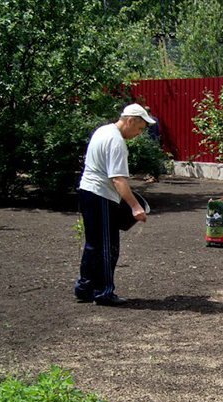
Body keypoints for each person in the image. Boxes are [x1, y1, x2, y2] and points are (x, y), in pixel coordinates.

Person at [74, 103, 156, 306]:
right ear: (130, 120)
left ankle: (85, 288)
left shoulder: (102, 130)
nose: (138, 133)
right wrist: (135, 206)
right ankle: (104, 292)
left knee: (93, 244)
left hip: (87, 191)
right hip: (101, 195)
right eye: (139, 128)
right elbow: (118, 179)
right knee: (108, 246)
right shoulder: (116, 141)